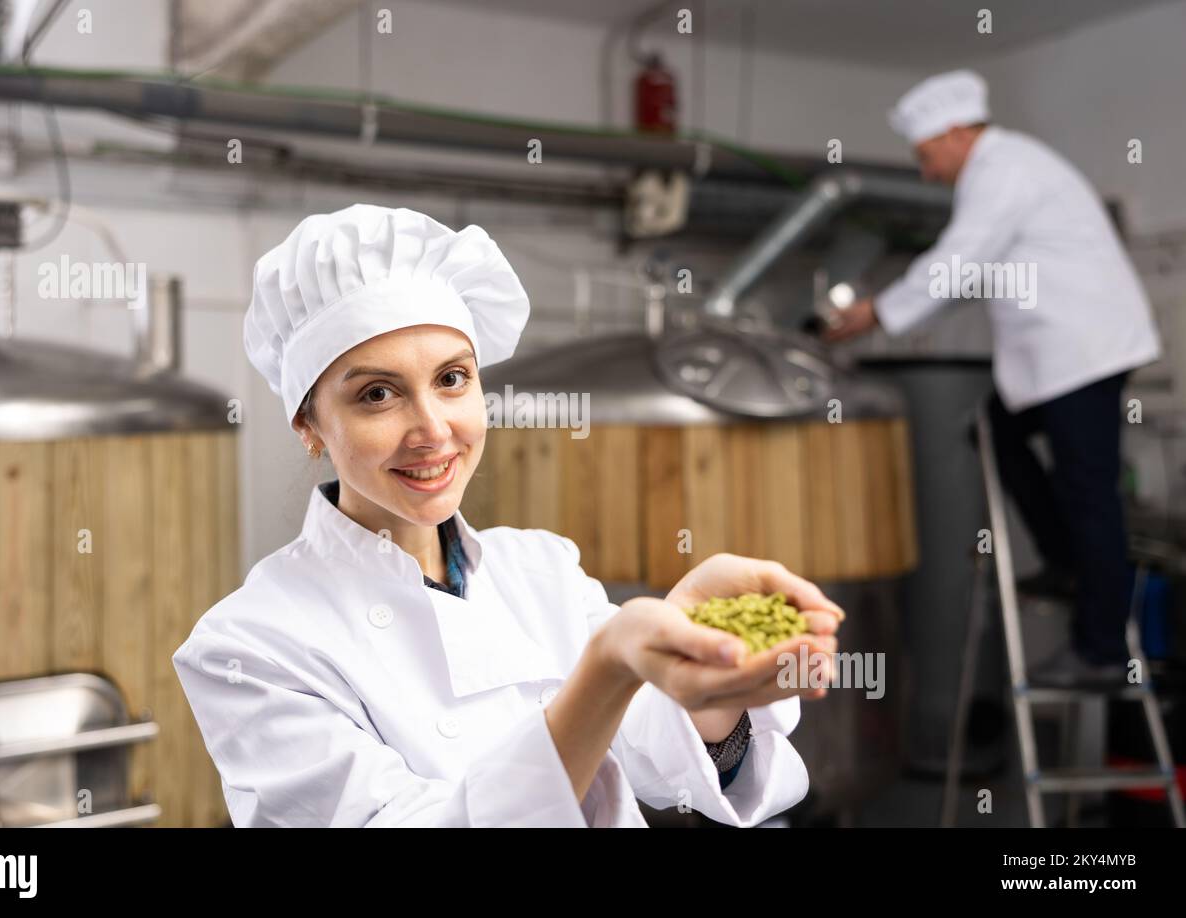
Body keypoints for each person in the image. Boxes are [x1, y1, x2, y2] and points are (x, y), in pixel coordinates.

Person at [172, 204, 844, 827]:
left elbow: (659, 751)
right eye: (378, 395)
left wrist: (715, 681)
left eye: (453, 378)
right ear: (309, 424)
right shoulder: (249, 646)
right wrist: (609, 666)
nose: (433, 430)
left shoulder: (541, 568)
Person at [824, 70, 1162, 685]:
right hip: (1062, 359)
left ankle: (1103, 652)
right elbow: (969, 275)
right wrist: (898, 311)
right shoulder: (1005, 170)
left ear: (955, 133)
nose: (926, 172)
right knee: (996, 431)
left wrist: (876, 312)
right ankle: (1064, 560)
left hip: (1084, 355)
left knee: (1093, 496)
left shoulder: (1003, 170)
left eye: (926, 155)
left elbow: (958, 259)